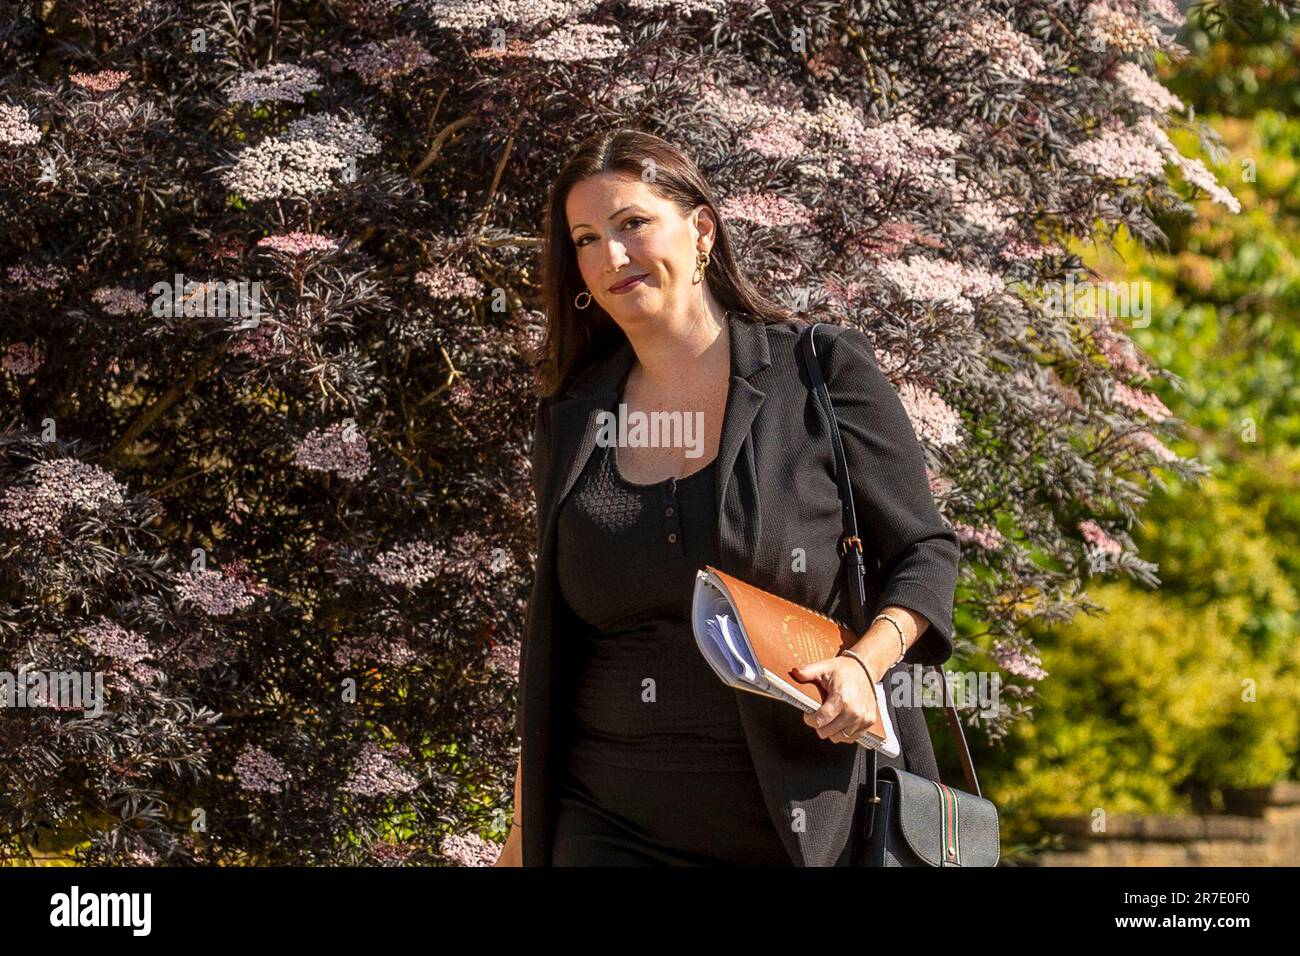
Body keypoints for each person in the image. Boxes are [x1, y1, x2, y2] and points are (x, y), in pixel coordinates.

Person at [495, 129, 960, 867]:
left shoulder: (818, 371)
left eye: (632, 224)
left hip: (803, 817)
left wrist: (866, 664)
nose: (610, 257)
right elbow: (558, 646)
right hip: (606, 823)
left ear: (701, 228)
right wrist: (523, 840)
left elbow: (924, 553)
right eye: (585, 238)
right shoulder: (575, 415)